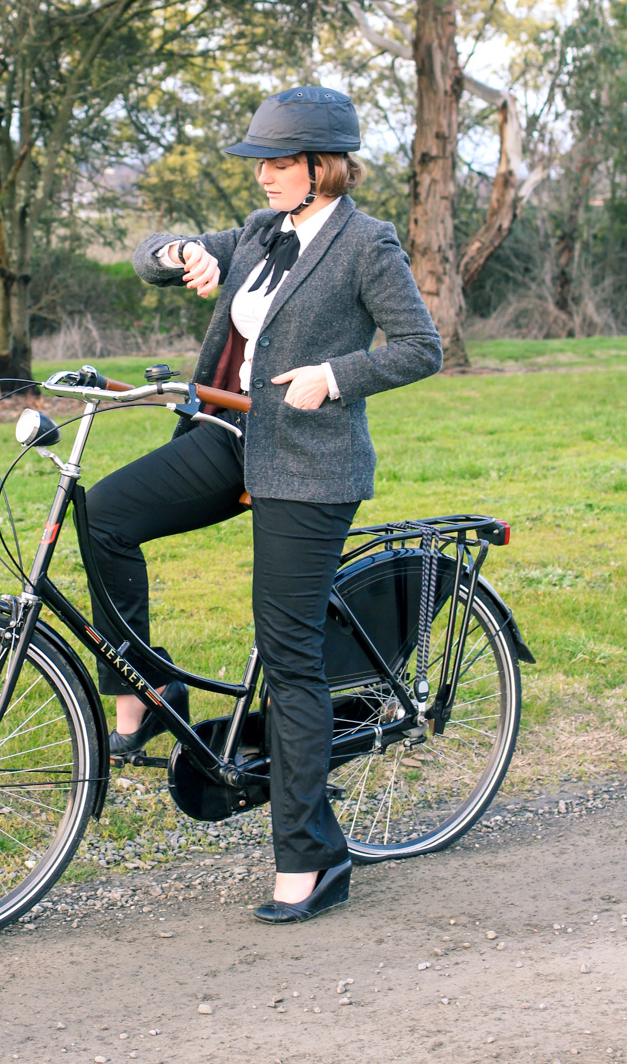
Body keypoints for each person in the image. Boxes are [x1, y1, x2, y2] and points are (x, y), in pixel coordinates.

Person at [84, 85, 442, 924]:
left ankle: (314, 859)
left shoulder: (365, 243)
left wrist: (336, 376)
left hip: (312, 466)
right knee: (105, 514)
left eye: (280, 162)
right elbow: (146, 253)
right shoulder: (256, 235)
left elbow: (421, 346)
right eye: (260, 163)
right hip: (230, 436)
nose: (265, 176)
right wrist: (179, 254)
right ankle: (145, 690)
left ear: (326, 166)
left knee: (288, 653)